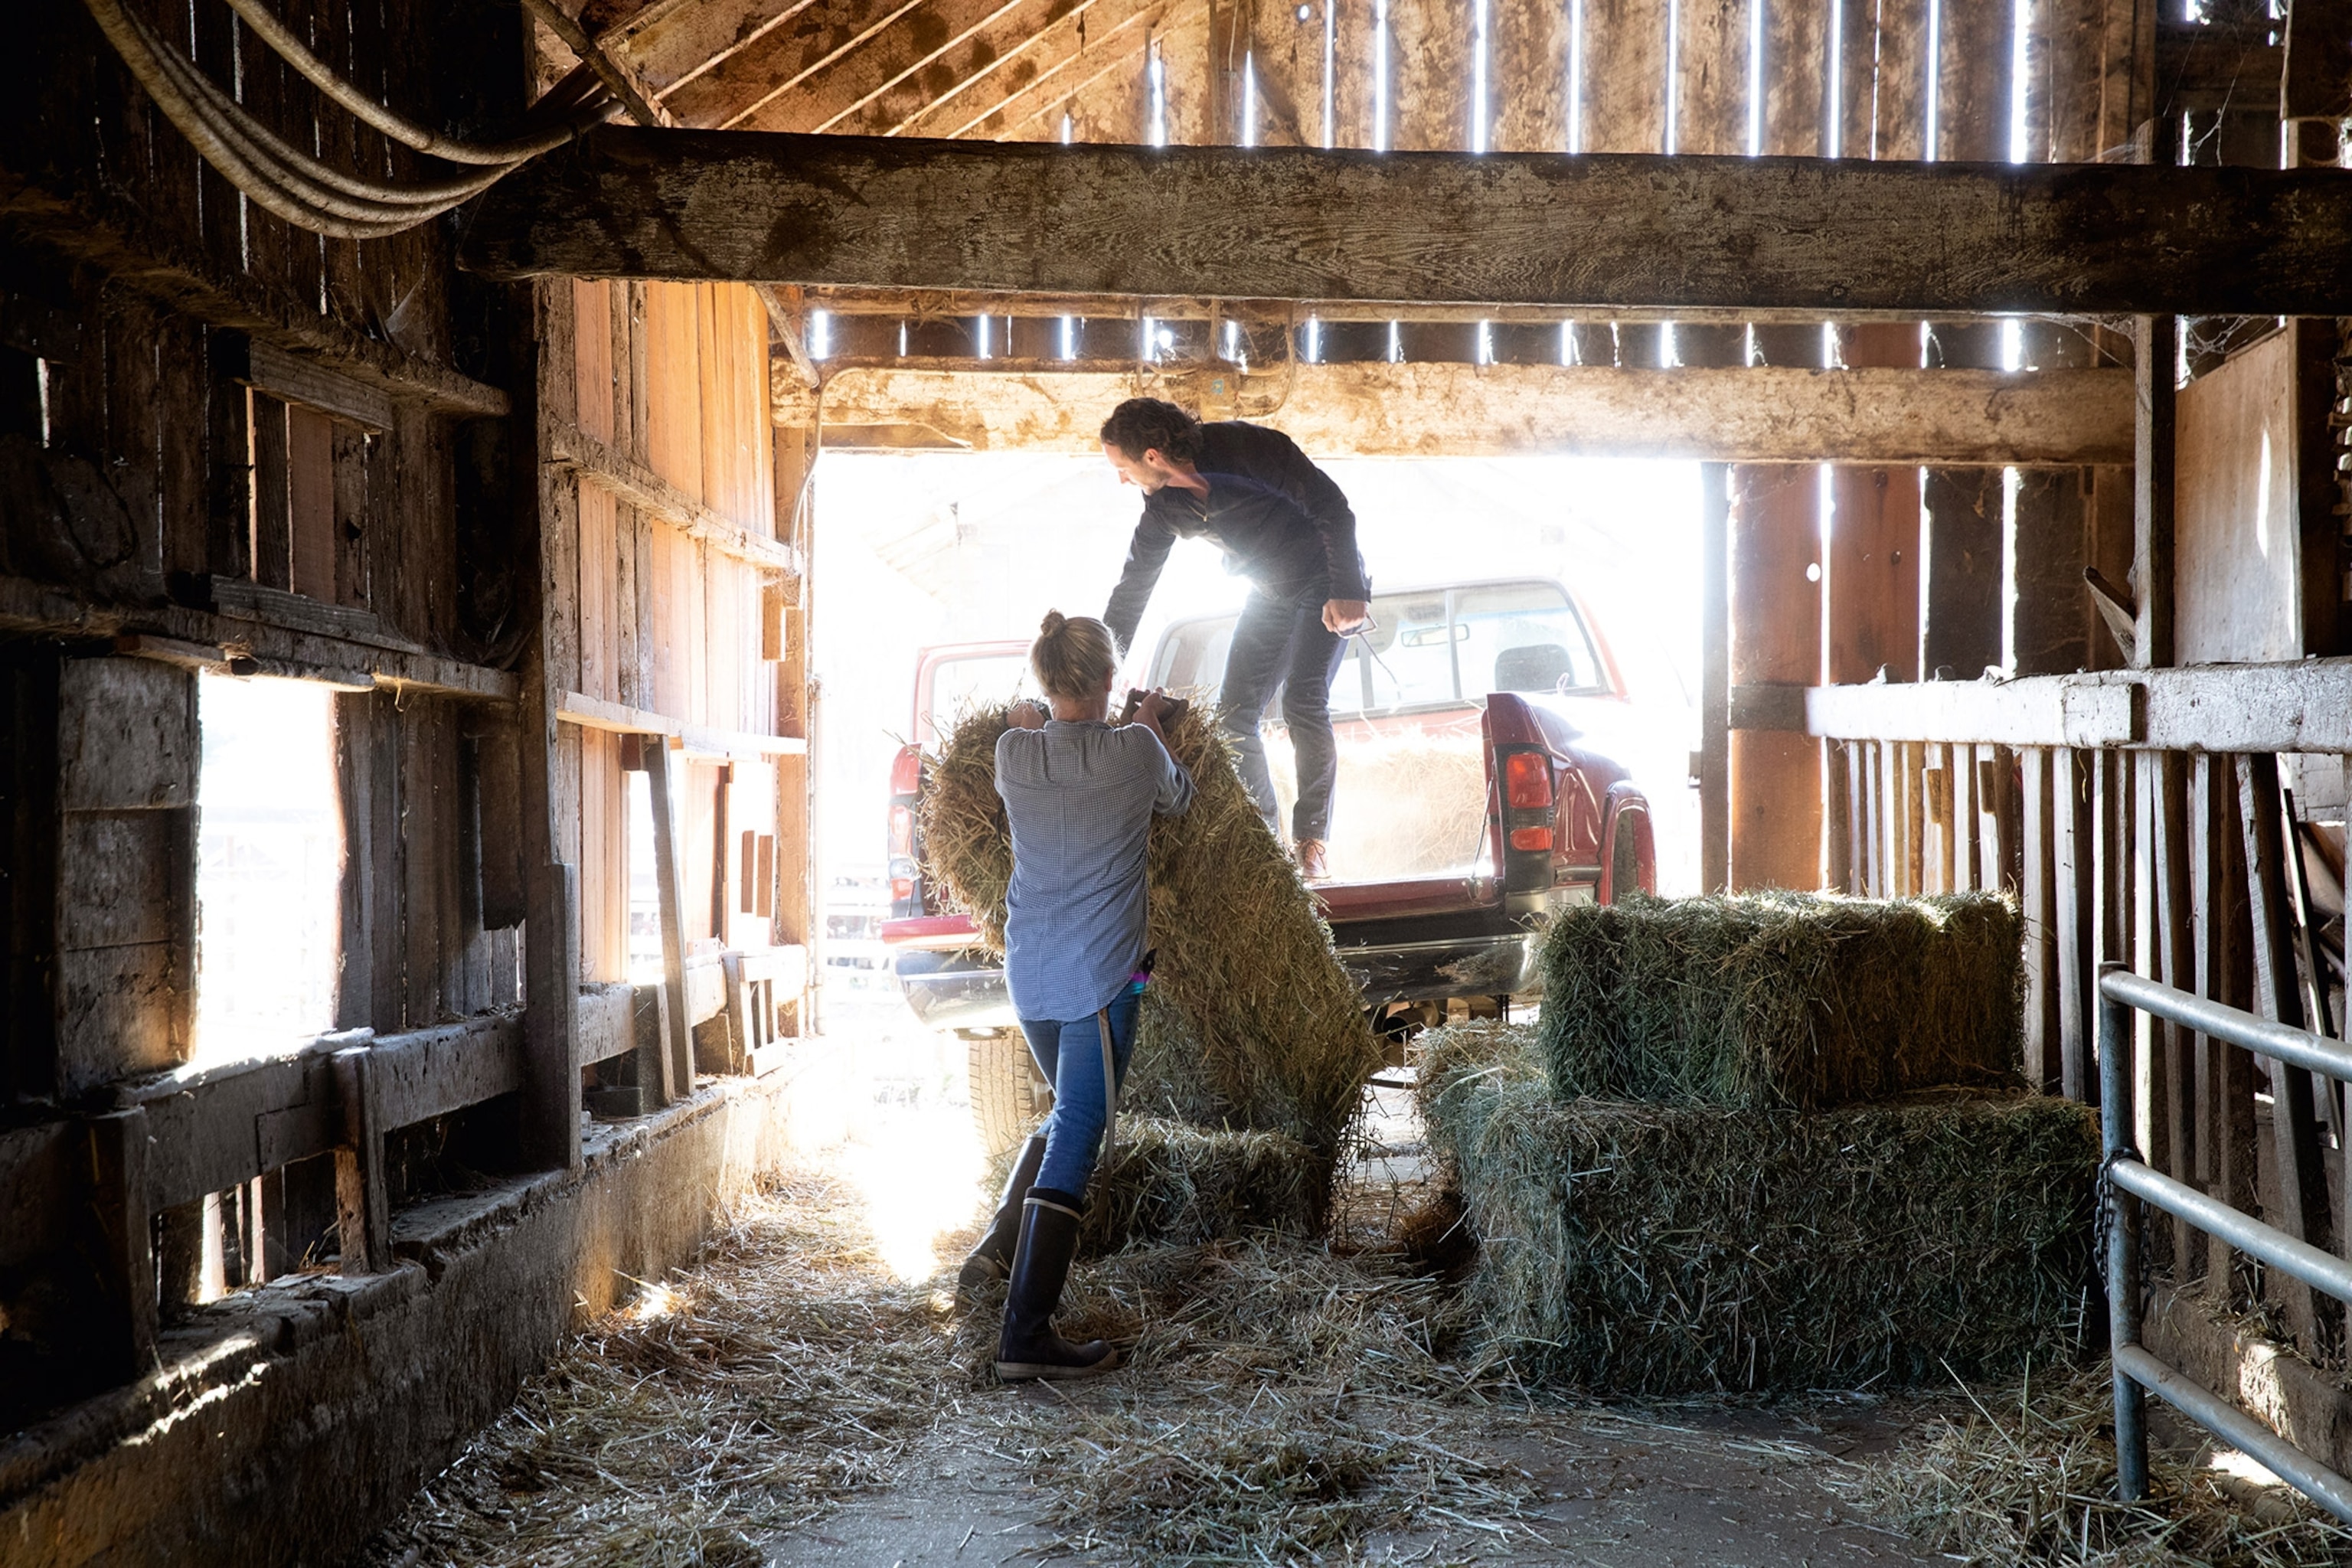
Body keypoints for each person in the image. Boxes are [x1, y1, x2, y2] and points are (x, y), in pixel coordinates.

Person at [960, 610, 1194, 1380]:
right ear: (1107, 680)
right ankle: (1025, 1334)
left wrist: (1033, 723)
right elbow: (1181, 799)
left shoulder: (1011, 752)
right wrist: (1151, 723)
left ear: (1045, 680)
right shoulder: (1136, 752)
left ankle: (995, 1253)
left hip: (1029, 973)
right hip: (1101, 979)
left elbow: (1031, 742)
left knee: (1066, 1109)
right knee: (1082, 1125)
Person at [1099, 398, 1370, 883]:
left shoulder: (1250, 448)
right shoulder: (1164, 506)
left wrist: (1348, 588)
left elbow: (1332, 508)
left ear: (1154, 456)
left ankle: (1311, 844)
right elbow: (1135, 583)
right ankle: (1266, 842)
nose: (1121, 480)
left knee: (1303, 700)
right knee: (1234, 715)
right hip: (1267, 590)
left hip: (1322, 579)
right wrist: (1100, 662)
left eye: (1123, 468)